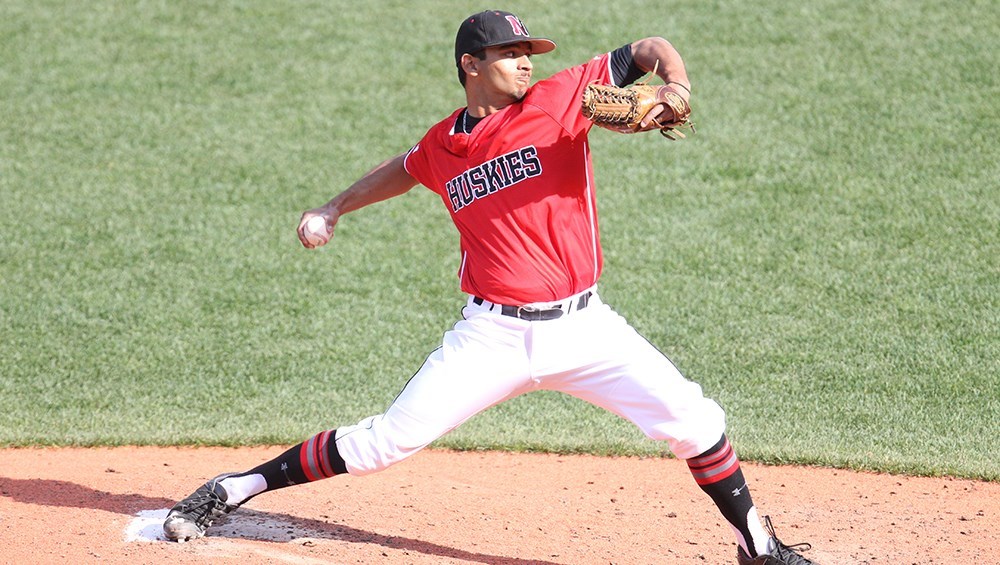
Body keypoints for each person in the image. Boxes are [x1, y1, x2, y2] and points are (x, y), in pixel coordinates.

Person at [162, 10, 818, 564]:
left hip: (586, 329)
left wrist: (675, 84)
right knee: (383, 441)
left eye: (527, 52)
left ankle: (757, 546)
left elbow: (649, 49)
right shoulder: (444, 143)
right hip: (492, 335)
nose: (525, 63)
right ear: (471, 64)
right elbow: (407, 167)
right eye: (509, 54)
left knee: (697, 421)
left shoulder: (563, 98)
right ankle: (235, 485)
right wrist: (334, 207)